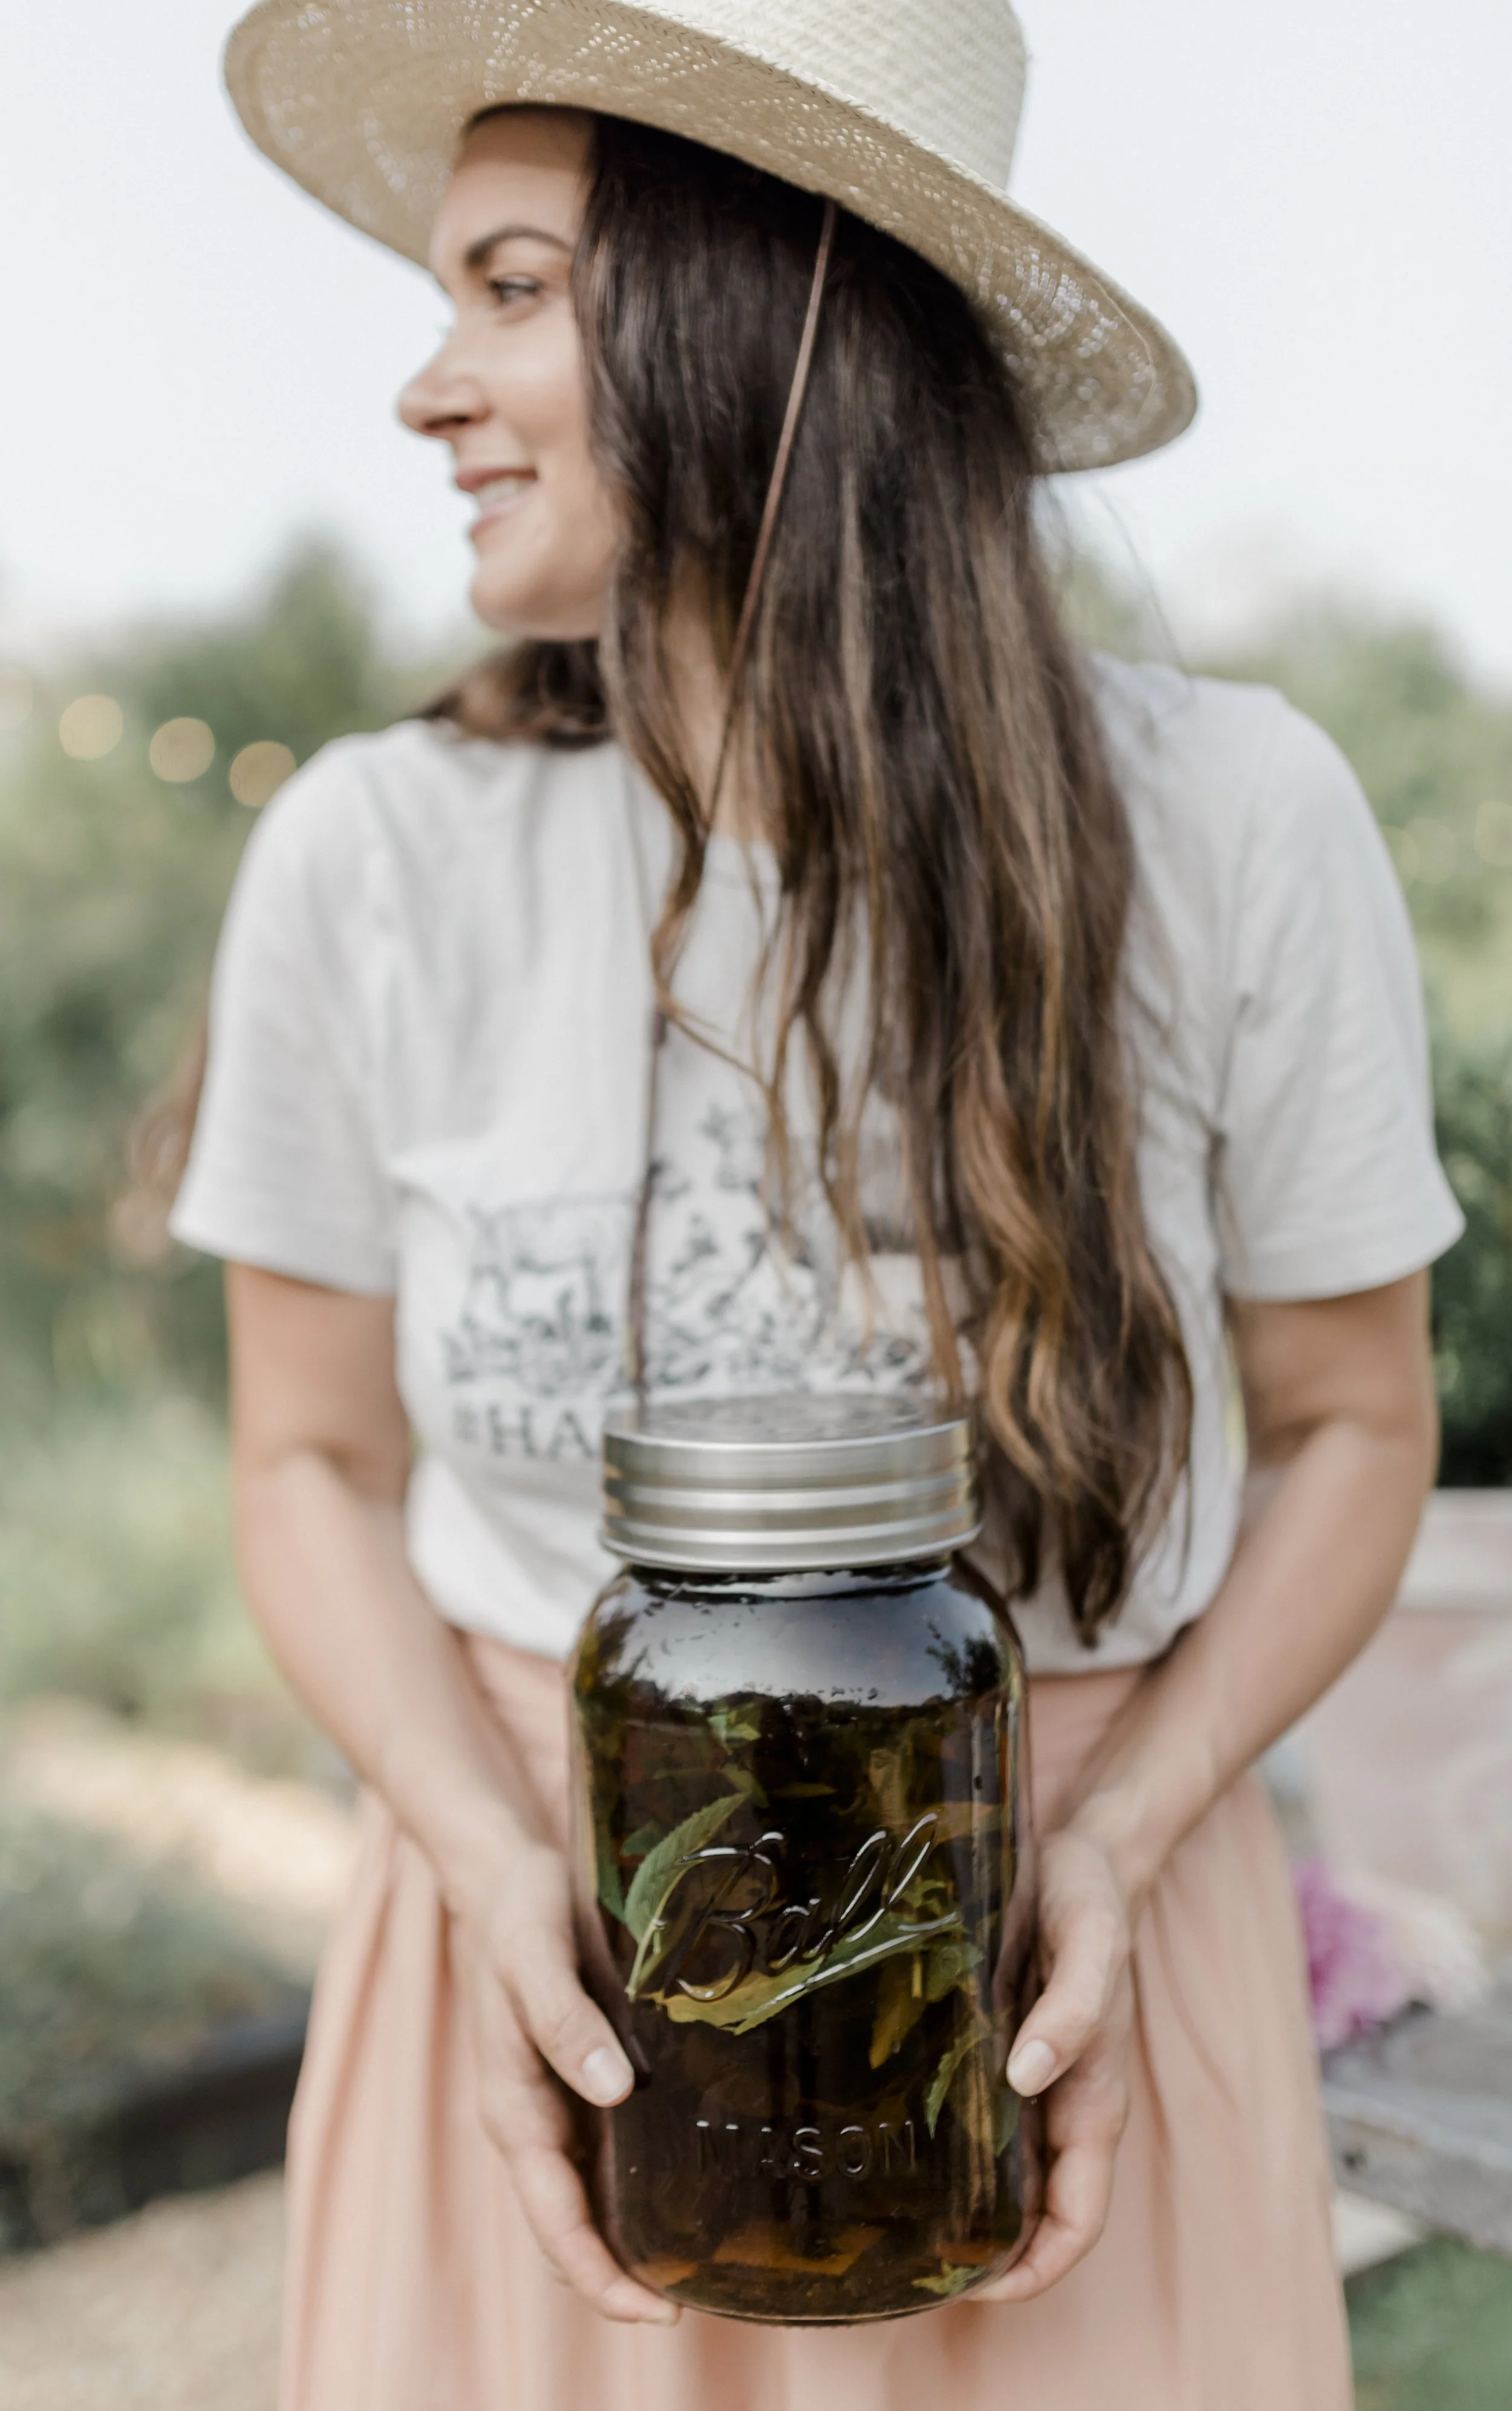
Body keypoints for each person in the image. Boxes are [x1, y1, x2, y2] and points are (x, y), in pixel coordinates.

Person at [168, 3, 1464, 2404]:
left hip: (1071, 1963)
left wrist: (1123, 1833)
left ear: (763, 311)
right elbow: (308, 1462)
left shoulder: (1233, 821)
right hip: (541, 1958)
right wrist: (488, 1866)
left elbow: (1352, 1422)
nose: (426, 391)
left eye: (512, 288)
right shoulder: (372, 855)